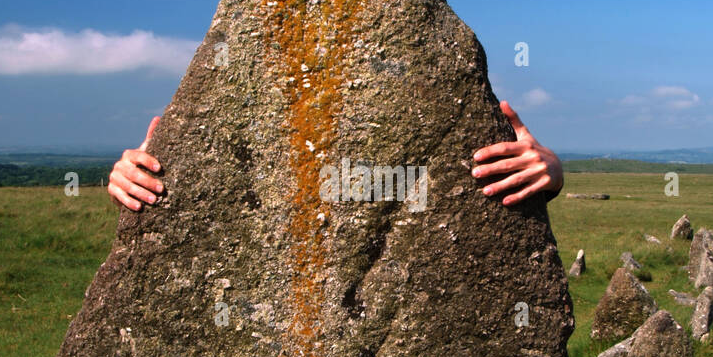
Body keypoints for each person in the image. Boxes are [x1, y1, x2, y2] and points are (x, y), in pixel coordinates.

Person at [107, 100, 563, 211]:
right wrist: (135, 178)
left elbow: (422, 187)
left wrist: (552, 172)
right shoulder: (233, 118)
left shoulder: (428, 116)